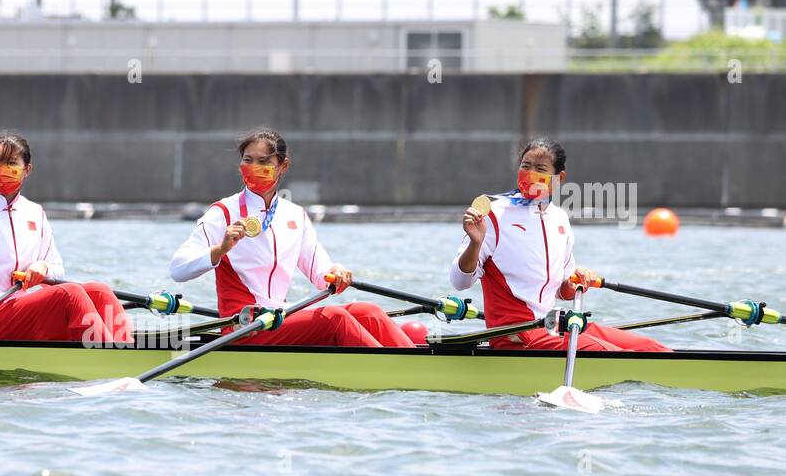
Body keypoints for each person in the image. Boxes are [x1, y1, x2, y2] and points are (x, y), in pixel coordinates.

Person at [169, 128, 413, 347]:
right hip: (244, 326)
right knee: (334, 319)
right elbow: (178, 269)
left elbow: (321, 274)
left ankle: (414, 367)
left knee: (368, 311)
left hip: (281, 317)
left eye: (263, 161)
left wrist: (336, 271)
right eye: (248, 160)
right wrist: (220, 249)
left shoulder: (294, 215)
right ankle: (397, 374)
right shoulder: (222, 213)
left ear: (282, 166)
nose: (254, 167)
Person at [451, 138, 670, 352]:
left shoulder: (559, 218)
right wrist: (475, 243)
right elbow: (459, 281)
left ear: (559, 177)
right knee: (617, 354)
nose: (530, 173)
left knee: (652, 348)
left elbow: (562, 292)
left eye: (540, 168)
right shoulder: (493, 214)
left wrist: (576, 282)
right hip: (515, 334)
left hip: (552, 326)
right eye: (525, 166)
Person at [0, 132, 131, 343]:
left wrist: (43, 267)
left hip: (25, 310)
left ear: (27, 170)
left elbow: (57, 268)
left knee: (100, 292)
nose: (3, 169)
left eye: (11, 163)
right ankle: (109, 360)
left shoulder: (34, 212)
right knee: (69, 294)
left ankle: (125, 352)